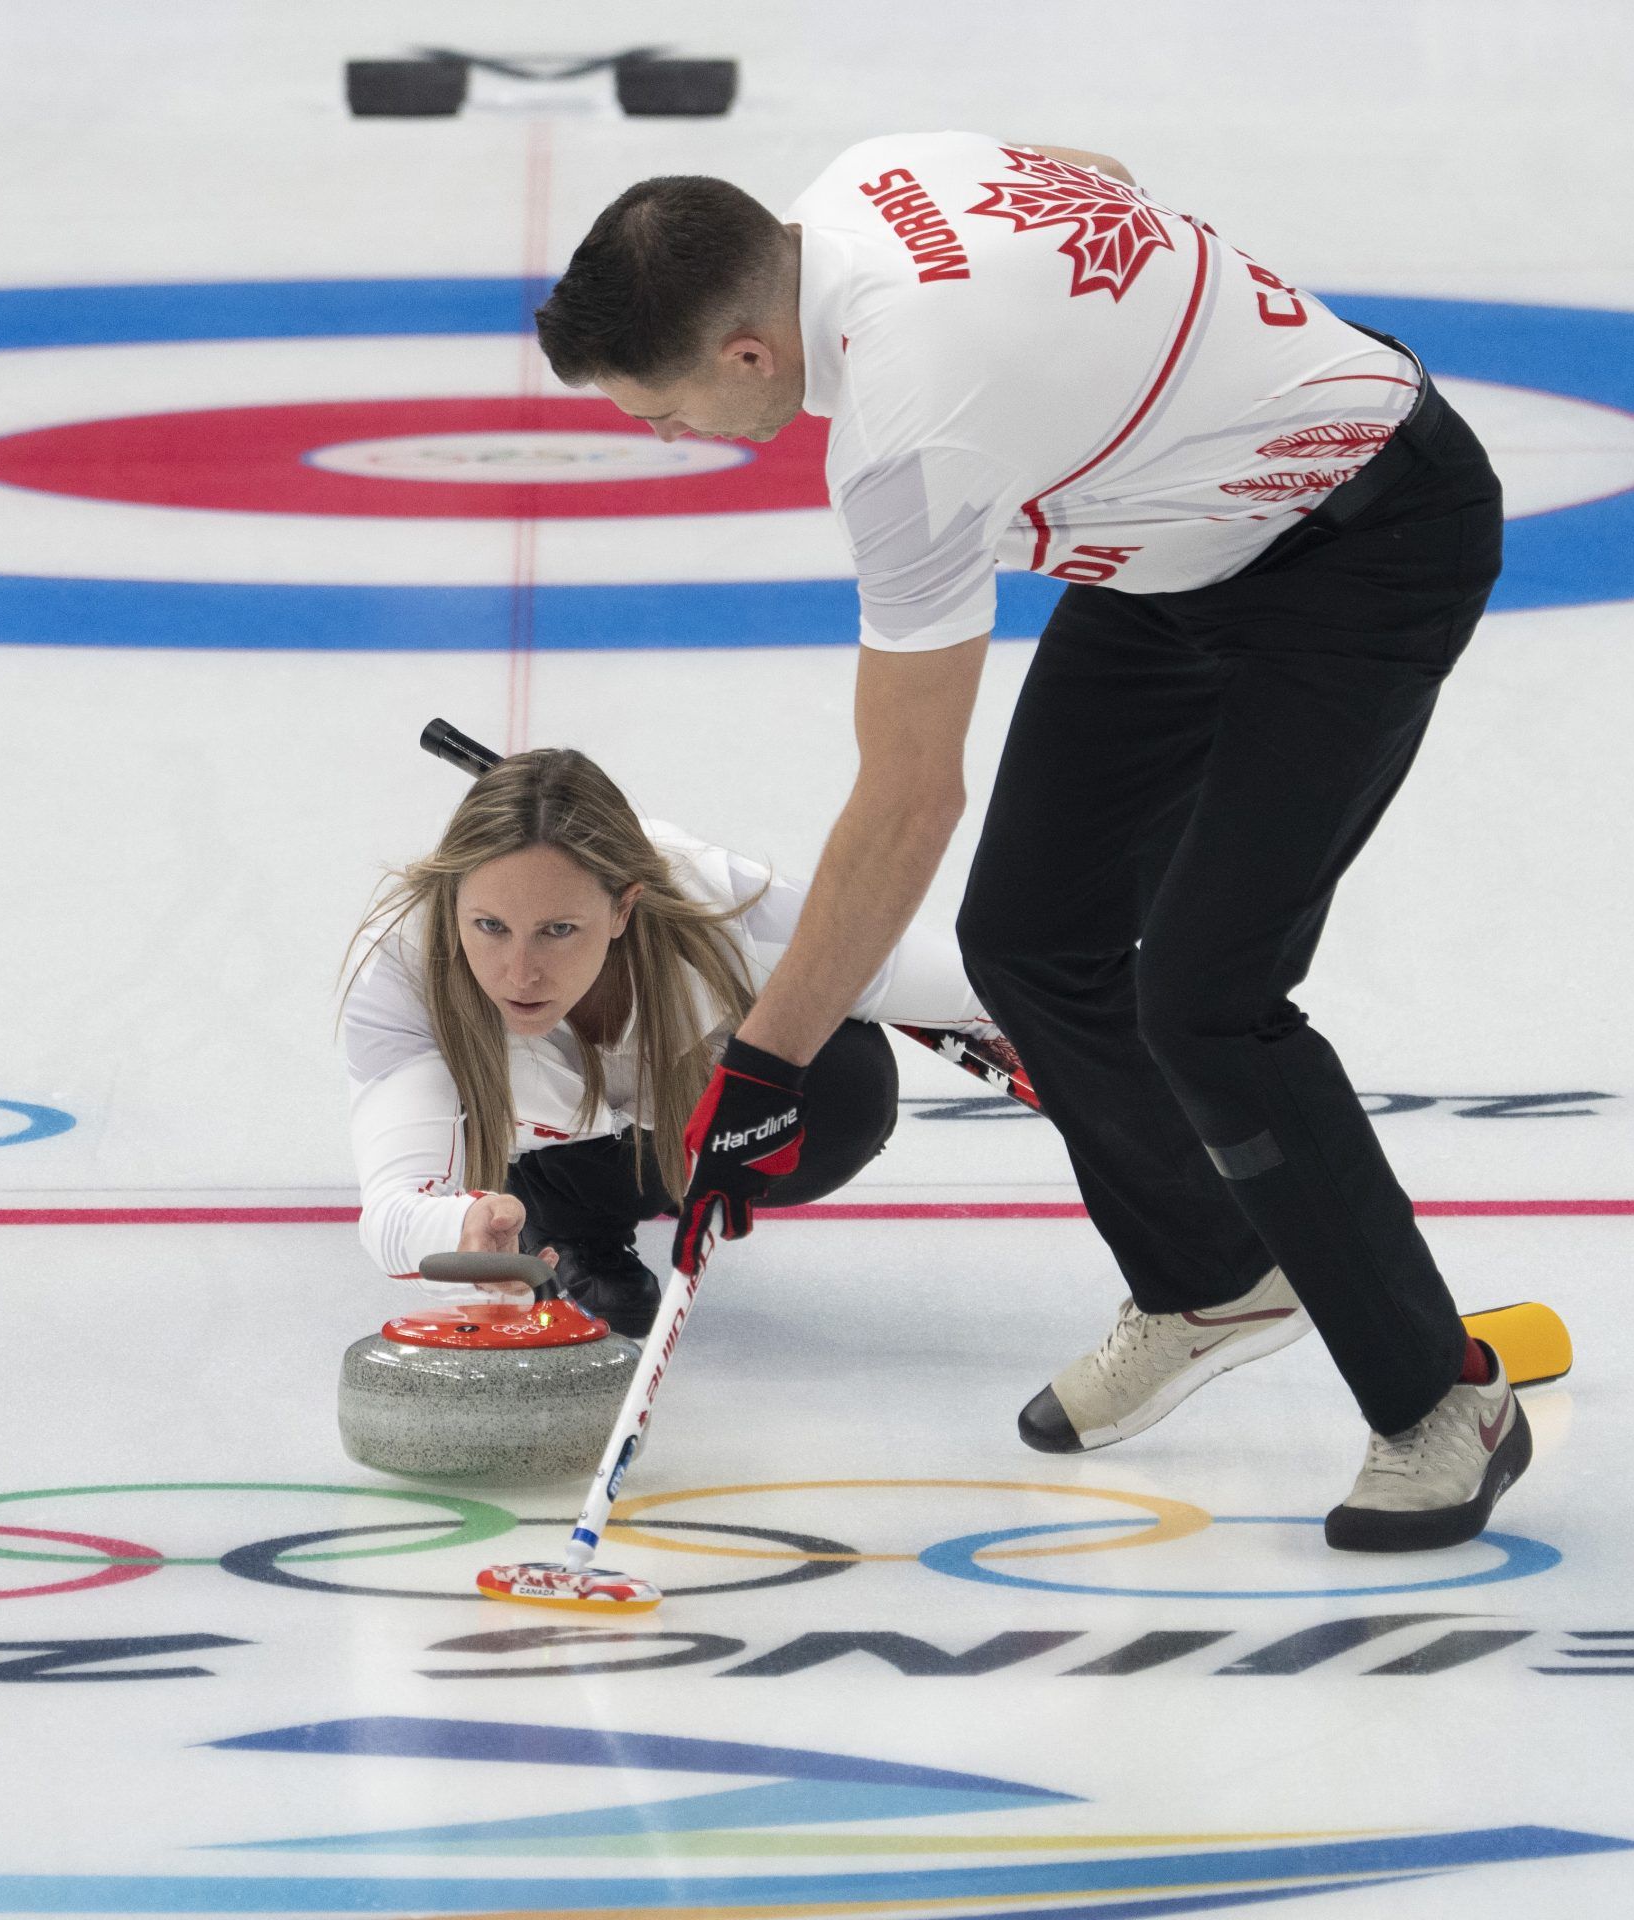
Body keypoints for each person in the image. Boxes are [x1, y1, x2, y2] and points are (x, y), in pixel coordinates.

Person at [531, 132, 1524, 1552]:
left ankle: (1448, 1402)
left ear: (751, 354)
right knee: (1027, 941)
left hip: (1370, 547)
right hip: (1177, 535)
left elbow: (908, 796)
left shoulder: (911, 439)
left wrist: (769, 1061)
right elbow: (1092, 172)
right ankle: (1211, 1274)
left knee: (1209, 1002)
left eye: (661, 409)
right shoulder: (871, 178)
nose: (665, 437)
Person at [344, 746, 983, 1336]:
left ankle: (658, 1170)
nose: (519, 973)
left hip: (693, 1111)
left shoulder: (735, 919)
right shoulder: (401, 974)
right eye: (489, 925)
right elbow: (395, 1209)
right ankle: (570, 1226)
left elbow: (985, 991)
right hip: (540, 1155)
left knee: (846, 1080)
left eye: (558, 929)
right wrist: (462, 1226)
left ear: (625, 908)